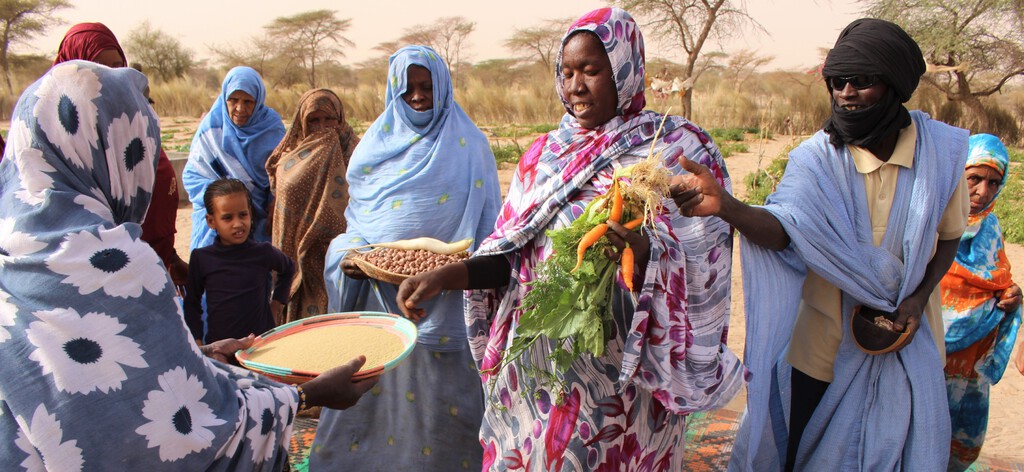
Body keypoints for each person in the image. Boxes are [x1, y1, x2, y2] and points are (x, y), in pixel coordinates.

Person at [396, 9, 744, 470]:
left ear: (624, 67)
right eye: (567, 72)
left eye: (592, 70)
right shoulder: (544, 156)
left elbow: (705, 264)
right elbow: (511, 255)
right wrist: (447, 275)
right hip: (540, 366)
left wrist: (642, 253)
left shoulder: (675, 148)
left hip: (627, 373)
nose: (576, 85)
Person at [0, 60, 376, 470]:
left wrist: (202, 353)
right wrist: (306, 396)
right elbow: (174, 428)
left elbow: (86, 378)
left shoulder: (14, 243)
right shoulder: (114, 267)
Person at [673, 18, 969, 471]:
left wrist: (919, 296)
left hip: (906, 344)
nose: (846, 92)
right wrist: (730, 208)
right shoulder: (816, 161)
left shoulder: (940, 156)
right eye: (837, 82)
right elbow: (784, 229)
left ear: (895, 85)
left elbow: (948, 238)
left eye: (862, 81)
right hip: (820, 354)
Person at [308, 45, 502, 471]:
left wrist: (452, 272)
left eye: (427, 86)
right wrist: (348, 257)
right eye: (407, 88)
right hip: (380, 307)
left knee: (445, 416)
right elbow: (354, 228)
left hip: (451, 310)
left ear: (443, 87)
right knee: (379, 407)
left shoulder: (470, 145)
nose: (417, 96)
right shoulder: (372, 148)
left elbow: (493, 233)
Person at [53, 22, 189, 295]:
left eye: (116, 68)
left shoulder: (134, 130)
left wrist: (169, 261)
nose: (110, 80)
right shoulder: (61, 150)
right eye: (96, 70)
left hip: (156, 277)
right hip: (107, 294)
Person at [941, 133, 1022, 471]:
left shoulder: (991, 227)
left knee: (960, 445)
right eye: (974, 178)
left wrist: (1012, 295)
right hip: (929, 355)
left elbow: (997, 281)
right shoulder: (935, 222)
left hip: (971, 369)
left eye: (994, 182)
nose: (983, 191)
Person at [265, 88, 359, 322]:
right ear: (301, 123)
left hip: (338, 253)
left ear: (340, 119)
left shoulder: (357, 154)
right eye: (314, 120)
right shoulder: (289, 157)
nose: (323, 127)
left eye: (329, 119)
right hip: (297, 256)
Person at [182, 66, 285, 251]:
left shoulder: (272, 127)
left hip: (260, 221)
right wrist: (225, 200)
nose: (240, 108)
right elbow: (192, 176)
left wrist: (275, 200)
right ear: (224, 99)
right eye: (233, 100)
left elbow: (283, 171)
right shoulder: (212, 129)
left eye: (248, 101)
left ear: (258, 100)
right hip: (217, 220)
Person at [184, 179, 295, 343]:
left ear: (250, 213)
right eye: (227, 218)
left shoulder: (263, 252)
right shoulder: (202, 259)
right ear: (211, 221)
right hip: (221, 349)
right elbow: (192, 304)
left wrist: (277, 304)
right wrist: (198, 341)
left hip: (260, 346)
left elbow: (288, 268)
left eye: (243, 215)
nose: (238, 224)